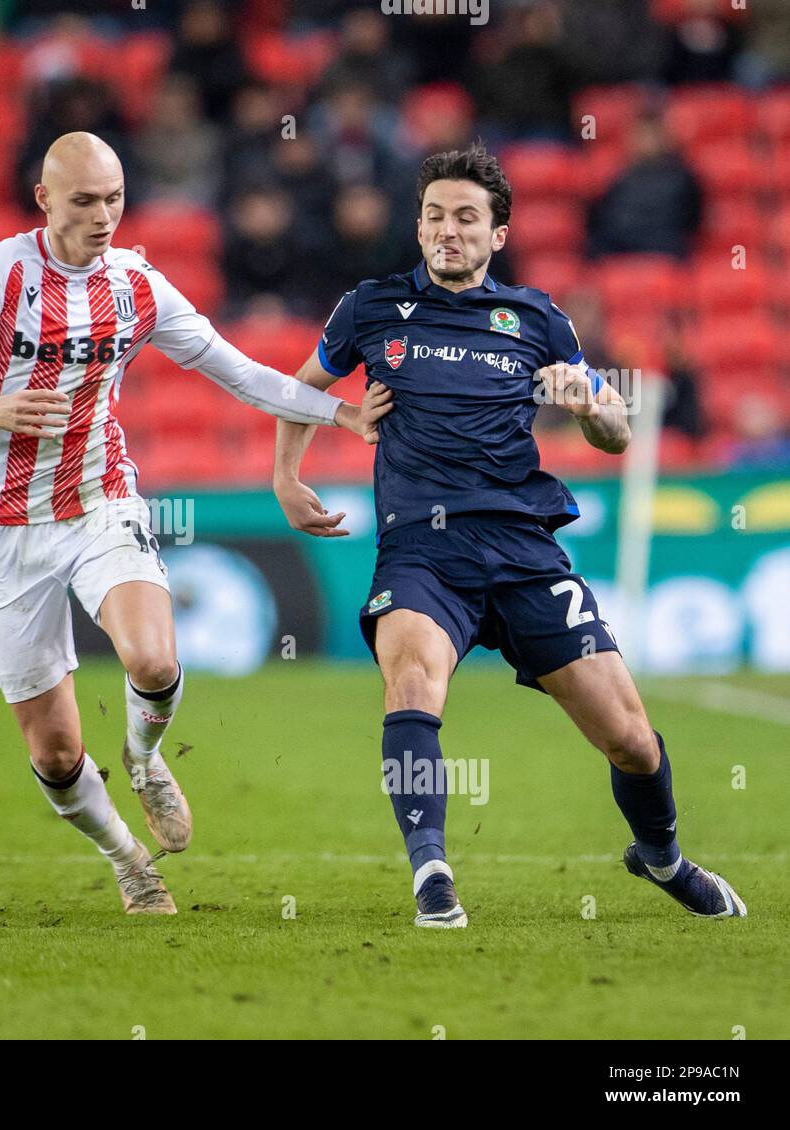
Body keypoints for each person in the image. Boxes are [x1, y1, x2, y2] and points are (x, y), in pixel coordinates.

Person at [273, 144, 746, 927]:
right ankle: (431, 872)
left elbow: (618, 434)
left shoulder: (536, 318)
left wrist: (589, 403)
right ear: (417, 225)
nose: (446, 231)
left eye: (465, 218)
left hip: (525, 550)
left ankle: (662, 858)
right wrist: (287, 477)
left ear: (498, 233)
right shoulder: (371, 309)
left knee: (630, 739)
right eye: (433, 216)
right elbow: (299, 386)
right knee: (412, 684)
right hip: (422, 549)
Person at [0, 131, 364, 915]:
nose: (105, 215)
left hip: (99, 500)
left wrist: (343, 414)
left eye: (115, 198)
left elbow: (240, 372)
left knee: (151, 661)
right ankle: (127, 859)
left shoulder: (137, 284)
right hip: (1, 526)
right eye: (85, 201)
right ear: (45, 200)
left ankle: (146, 759)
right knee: (53, 749)